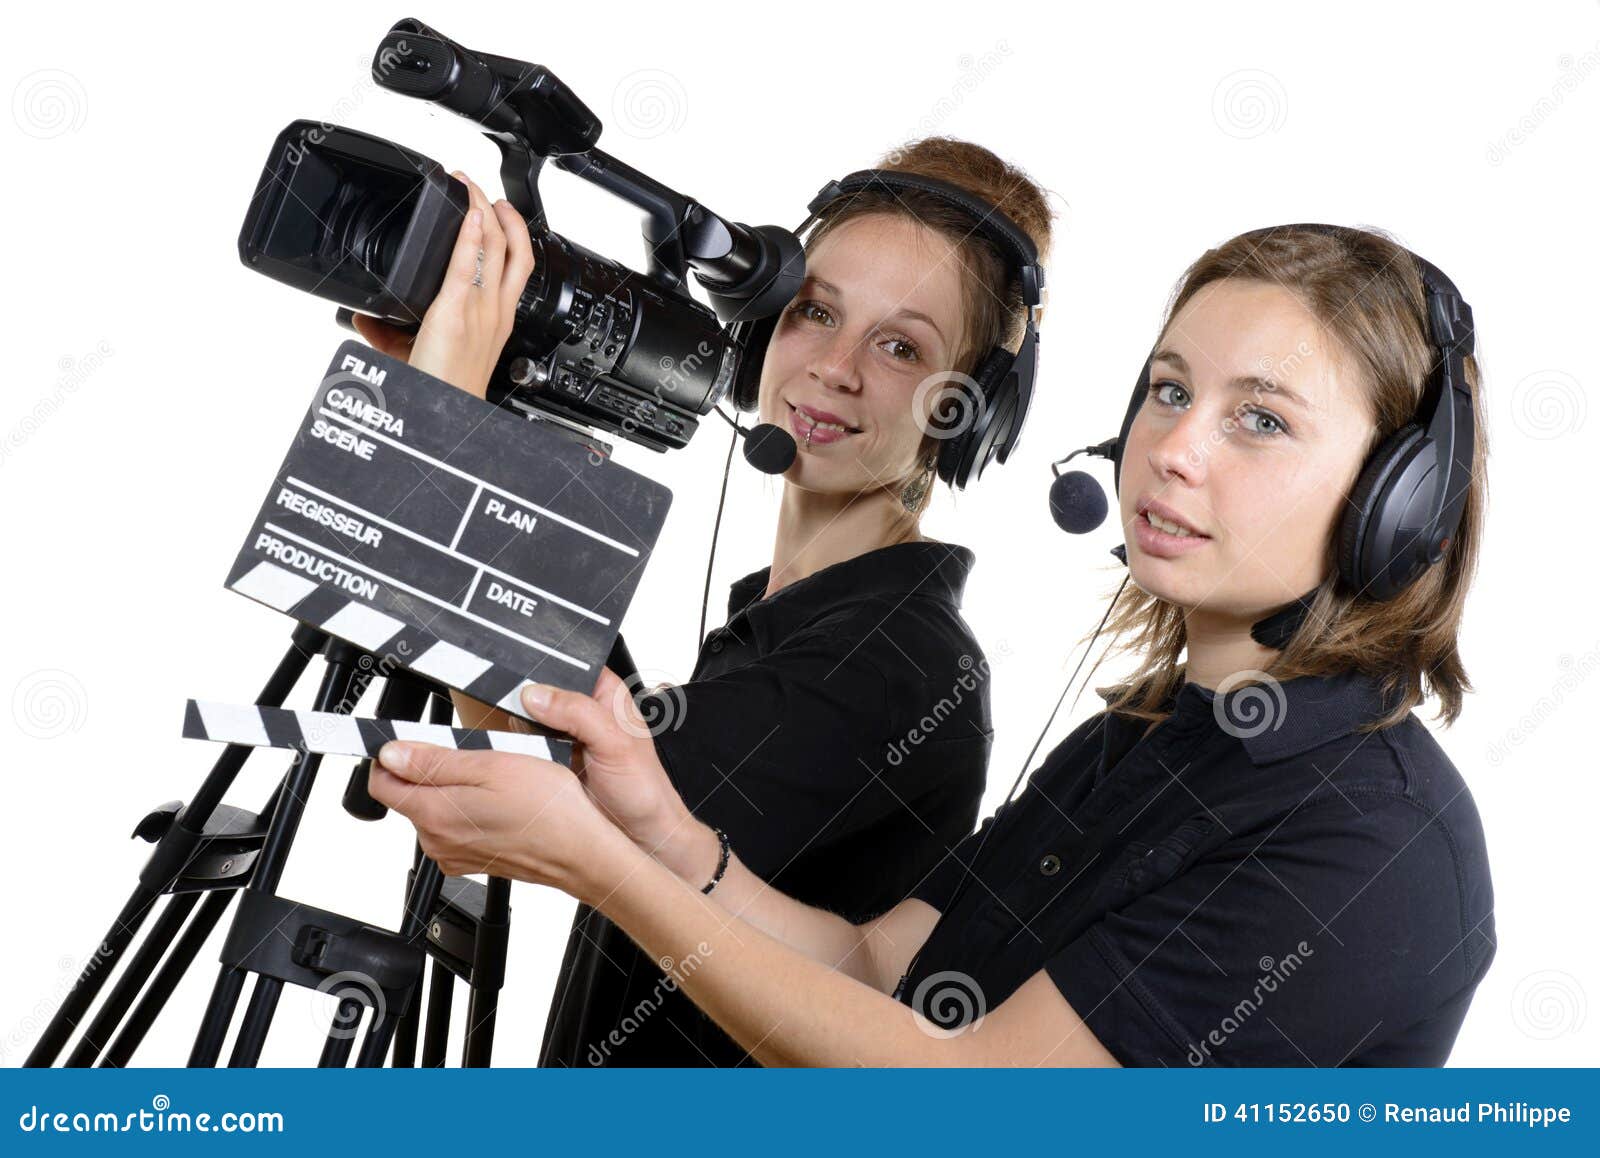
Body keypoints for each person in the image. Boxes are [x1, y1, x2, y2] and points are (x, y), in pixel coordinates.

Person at [367, 222, 1497, 1067]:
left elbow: (966, 1103)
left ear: (1398, 500)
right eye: (1166, 391)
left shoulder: (1366, 838)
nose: (1171, 450)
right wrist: (657, 828)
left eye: (1260, 418)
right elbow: (873, 968)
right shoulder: (1131, 747)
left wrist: (605, 866)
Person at [351, 139, 1057, 1064]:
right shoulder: (791, 619)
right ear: (760, 328)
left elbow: (544, 779)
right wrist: (483, 410)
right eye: (814, 312)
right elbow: (575, 715)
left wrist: (451, 426)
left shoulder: (900, 658)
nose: (834, 369)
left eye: (899, 346)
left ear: (971, 410)